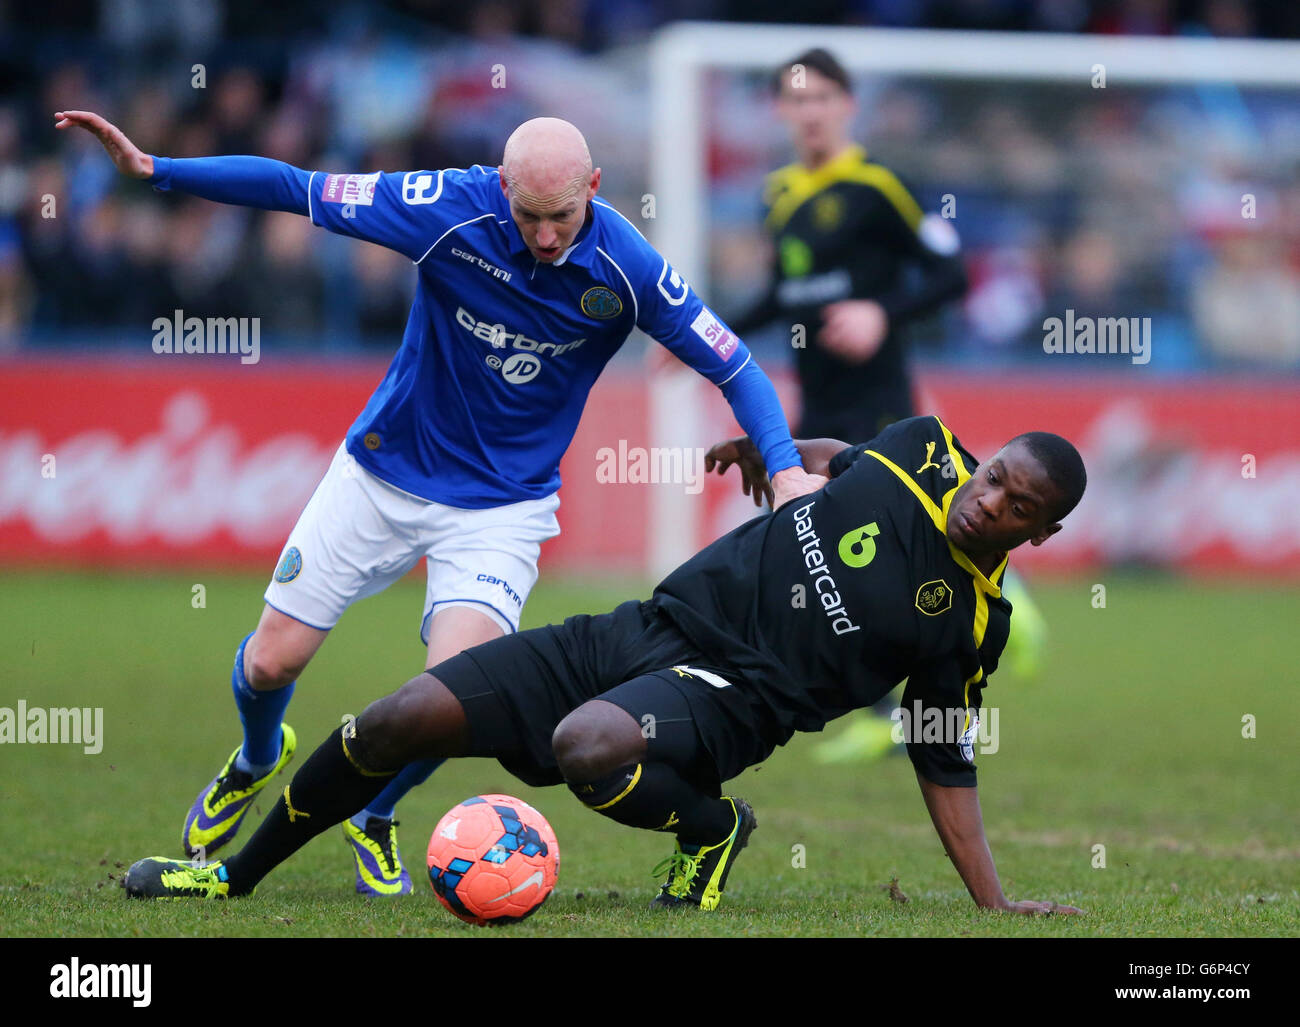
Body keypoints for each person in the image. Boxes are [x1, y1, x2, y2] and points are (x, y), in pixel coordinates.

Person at [56, 110, 821, 896]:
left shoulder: (628, 267)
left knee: (454, 696)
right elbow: (298, 187)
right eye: (529, 216)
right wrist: (159, 170)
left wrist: (788, 468)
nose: (547, 237)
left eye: (562, 216)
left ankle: (377, 814)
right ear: (500, 187)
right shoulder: (441, 206)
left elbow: (737, 367)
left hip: (502, 507)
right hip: (382, 474)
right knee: (270, 659)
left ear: (593, 188)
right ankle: (254, 757)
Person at [124, 414, 1086, 916]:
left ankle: (711, 825)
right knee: (395, 718)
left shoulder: (971, 619)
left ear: (1038, 534)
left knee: (585, 746)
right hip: (644, 626)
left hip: (734, 699)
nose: (986, 498)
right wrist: (775, 449)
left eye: (1014, 504)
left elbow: (941, 754)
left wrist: (994, 903)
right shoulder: (926, 450)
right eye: (994, 474)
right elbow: (851, 459)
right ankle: (230, 879)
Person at [730, 49, 1047, 762]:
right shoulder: (778, 193)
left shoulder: (880, 186)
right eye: (795, 101)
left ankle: (996, 613)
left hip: (879, 400)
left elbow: (950, 274)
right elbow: (786, 291)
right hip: (817, 400)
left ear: (846, 105)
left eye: (821, 100)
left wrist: (879, 310)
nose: (809, 113)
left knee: (904, 547)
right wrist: (705, 332)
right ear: (781, 111)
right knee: (828, 544)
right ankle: (883, 705)